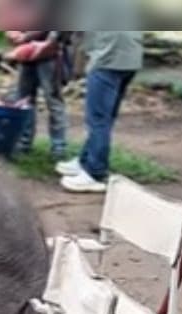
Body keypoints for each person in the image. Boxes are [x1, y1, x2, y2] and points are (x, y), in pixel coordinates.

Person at [56, 31, 143, 193]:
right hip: (130, 59)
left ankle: (94, 172)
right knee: (105, 118)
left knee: (98, 119)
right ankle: (86, 160)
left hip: (107, 59)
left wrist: (48, 41)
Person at [6, 31, 72, 161]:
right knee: (24, 100)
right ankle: (23, 143)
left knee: (53, 102)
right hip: (27, 52)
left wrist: (27, 36)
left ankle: (58, 149)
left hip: (50, 53)